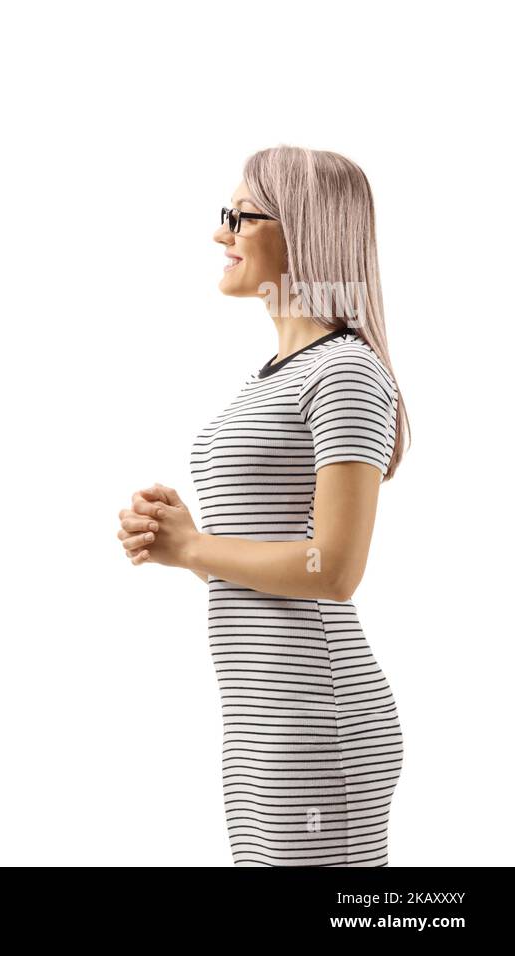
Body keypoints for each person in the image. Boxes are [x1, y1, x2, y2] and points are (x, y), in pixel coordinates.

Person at [115, 146, 411, 865]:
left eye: (240, 216)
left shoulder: (343, 370)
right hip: (262, 720)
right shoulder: (269, 381)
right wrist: (177, 544)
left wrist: (193, 547)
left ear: (303, 228)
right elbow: (274, 562)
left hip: (315, 719)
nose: (222, 235)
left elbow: (334, 569)